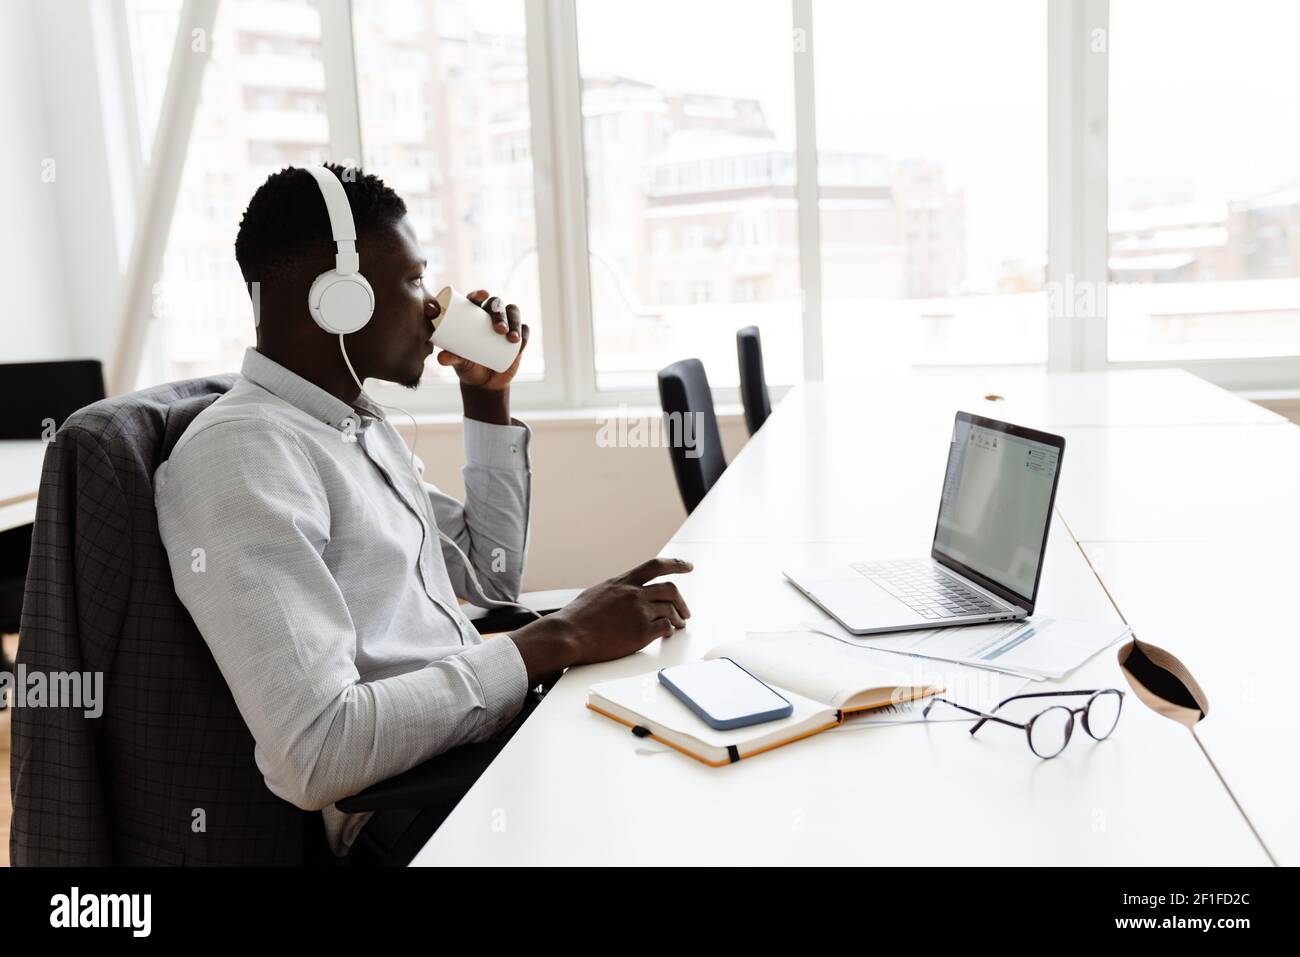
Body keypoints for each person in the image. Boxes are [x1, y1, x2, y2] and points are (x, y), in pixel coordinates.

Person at [154, 164, 692, 862]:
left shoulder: (351, 425)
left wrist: (487, 398)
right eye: (412, 280)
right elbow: (314, 750)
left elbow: (492, 575)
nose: (434, 309)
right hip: (425, 817)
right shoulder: (245, 456)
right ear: (336, 299)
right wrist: (554, 640)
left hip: (482, 754)